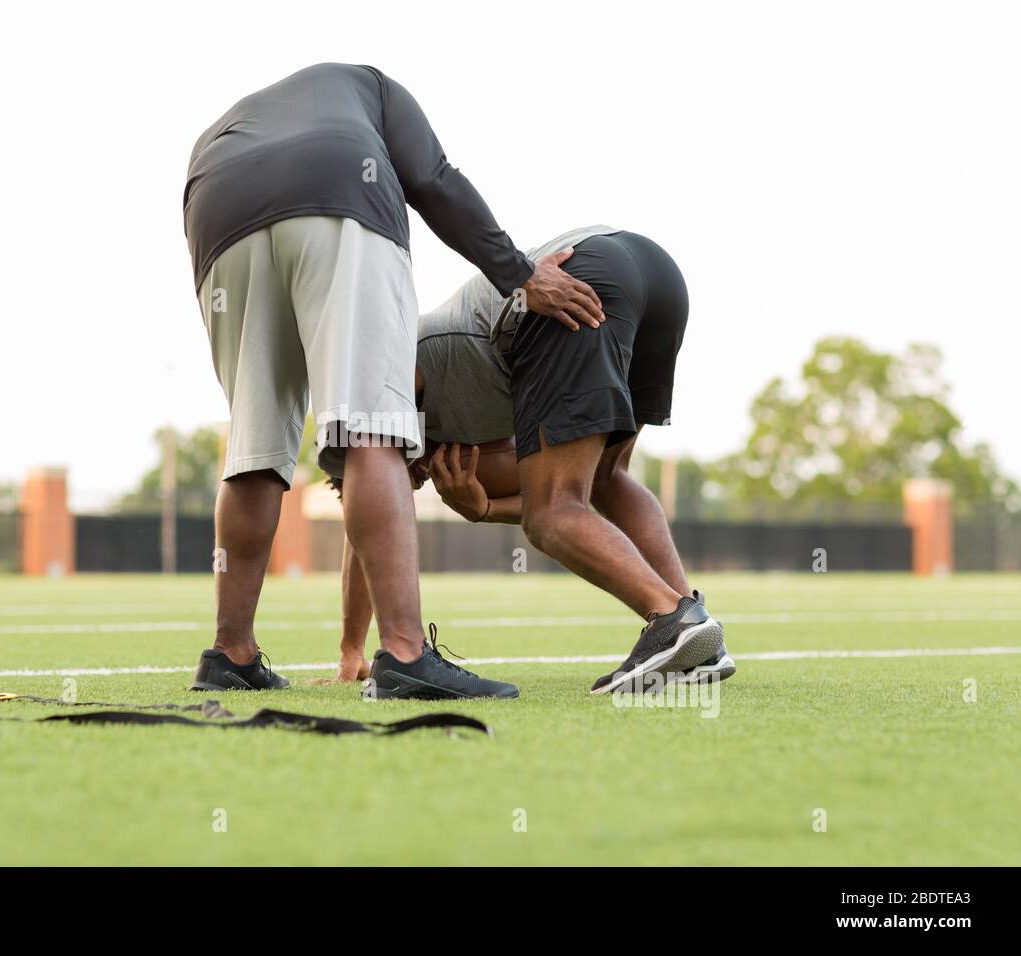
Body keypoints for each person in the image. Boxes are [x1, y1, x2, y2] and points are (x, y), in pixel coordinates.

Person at [183, 64, 602, 697]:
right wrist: (519, 273)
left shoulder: (243, 117)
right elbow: (433, 179)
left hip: (217, 209)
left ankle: (230, 653)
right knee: (373, 427)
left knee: (255, 445)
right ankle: (404, 654)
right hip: (335, 191)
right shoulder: (375, 86)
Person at [337, 226, 735, 694]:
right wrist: (484, 510)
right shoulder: (468, 425)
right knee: (608, 477)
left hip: (578, 283)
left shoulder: (409, 371)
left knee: (553, 511)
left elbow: (367, 522)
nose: (411, 482)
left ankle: (671, 619)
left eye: (407, 477)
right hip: (652, 273)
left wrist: (350, 650)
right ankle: (697, 631)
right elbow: (580, 493)